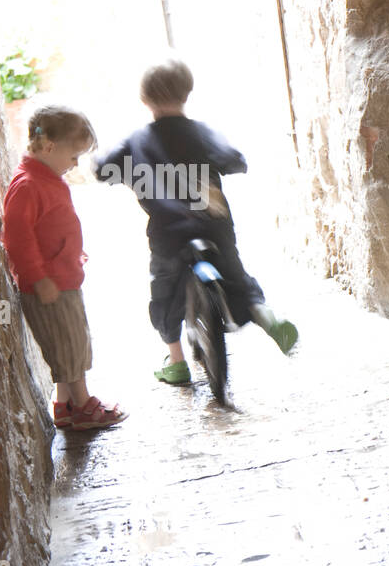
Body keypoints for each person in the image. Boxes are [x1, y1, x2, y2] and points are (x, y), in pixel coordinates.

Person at [94, 57, 298, 384]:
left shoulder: (136, 142)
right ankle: (264, 314)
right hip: (213, 223)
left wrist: (121, 171)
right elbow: (235, 160)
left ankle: (176, 360)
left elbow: (104, 169)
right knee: (234, 272)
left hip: (168, 232)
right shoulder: (202, 132)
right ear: (187, 94)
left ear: (144, 100)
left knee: (164, 292)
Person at [1, 105, 126, 430]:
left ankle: (64, 404)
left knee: (69, 342)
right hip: (49, 285)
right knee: (70, 347)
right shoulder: (28, 185)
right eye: (74, 157)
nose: (75, 165)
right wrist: (37, 277)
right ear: (48, 147)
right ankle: (84, 405)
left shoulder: (46, 179)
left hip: (62, 278)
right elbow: (17, 237)